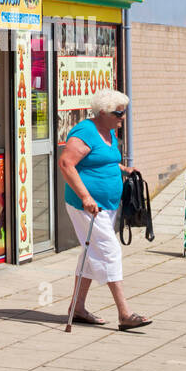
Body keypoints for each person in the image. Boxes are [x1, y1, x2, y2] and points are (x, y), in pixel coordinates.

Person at [57, 88, 151, 330]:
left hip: (107, 206)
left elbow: (102, 159)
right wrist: (86, 196)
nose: (122, 118)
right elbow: (66, 163)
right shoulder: (85, 132)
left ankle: (77, 308)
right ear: (101, 112)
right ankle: (124, 313)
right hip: (87, 206)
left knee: (91, 254)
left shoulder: (108, 130)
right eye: (118, 113)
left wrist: (122, 169)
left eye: (124, 112)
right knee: (109, 251)